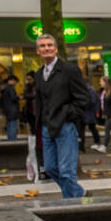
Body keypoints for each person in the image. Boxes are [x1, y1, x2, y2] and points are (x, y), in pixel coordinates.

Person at [33, 33, 89, 198]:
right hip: (46, 128)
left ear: (56, 49)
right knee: (50, 168)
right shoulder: (38, 74)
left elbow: (83, 99)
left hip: (64, 126)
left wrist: (67, 114)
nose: (47, 48)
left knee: (66, 171)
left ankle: (72, 205)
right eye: (42, 46)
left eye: (50, 45)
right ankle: (79, 193)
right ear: (38, 51)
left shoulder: (69, 70)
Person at [83, 80, 104, 153]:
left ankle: (97, 142)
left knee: (92, 128)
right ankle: (96, 142)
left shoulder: (90, 90)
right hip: (88, 113)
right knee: (90, 128)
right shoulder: (90, 90)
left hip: (89, 112)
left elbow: (93, 101)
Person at [0, 73, 20, 141]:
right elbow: (13, 98)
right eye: (15, 82)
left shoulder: (4, 88)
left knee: (9, 124)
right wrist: (18, 97)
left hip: (6, 109)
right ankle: (13, 139)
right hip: (12, 109)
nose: (15, 83)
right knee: (13, 125)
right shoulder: (10, 88)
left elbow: (1, 100)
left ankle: (10, 139)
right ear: (12, 80)